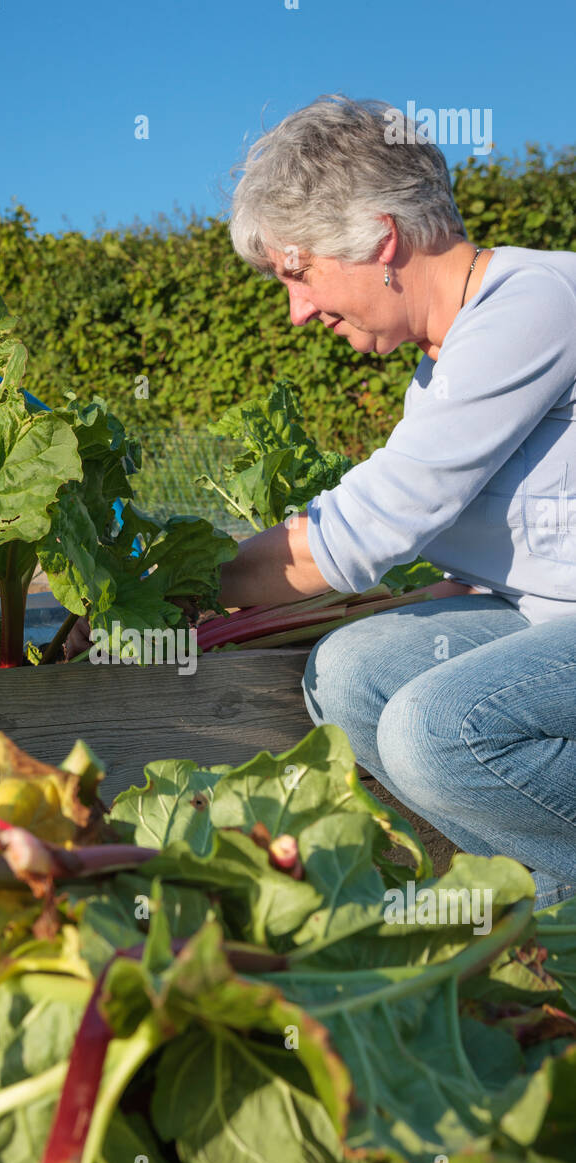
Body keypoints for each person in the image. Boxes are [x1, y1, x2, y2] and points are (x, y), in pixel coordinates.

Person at [215, 94, 576, 908]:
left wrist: (185, 579)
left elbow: (362, 531)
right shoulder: (443, 362)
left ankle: (556, 918)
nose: (298, 310)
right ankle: (547, 899)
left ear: (381, 237)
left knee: (439, 731)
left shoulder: (535, 305)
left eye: (297, 273)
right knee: (349, 675)